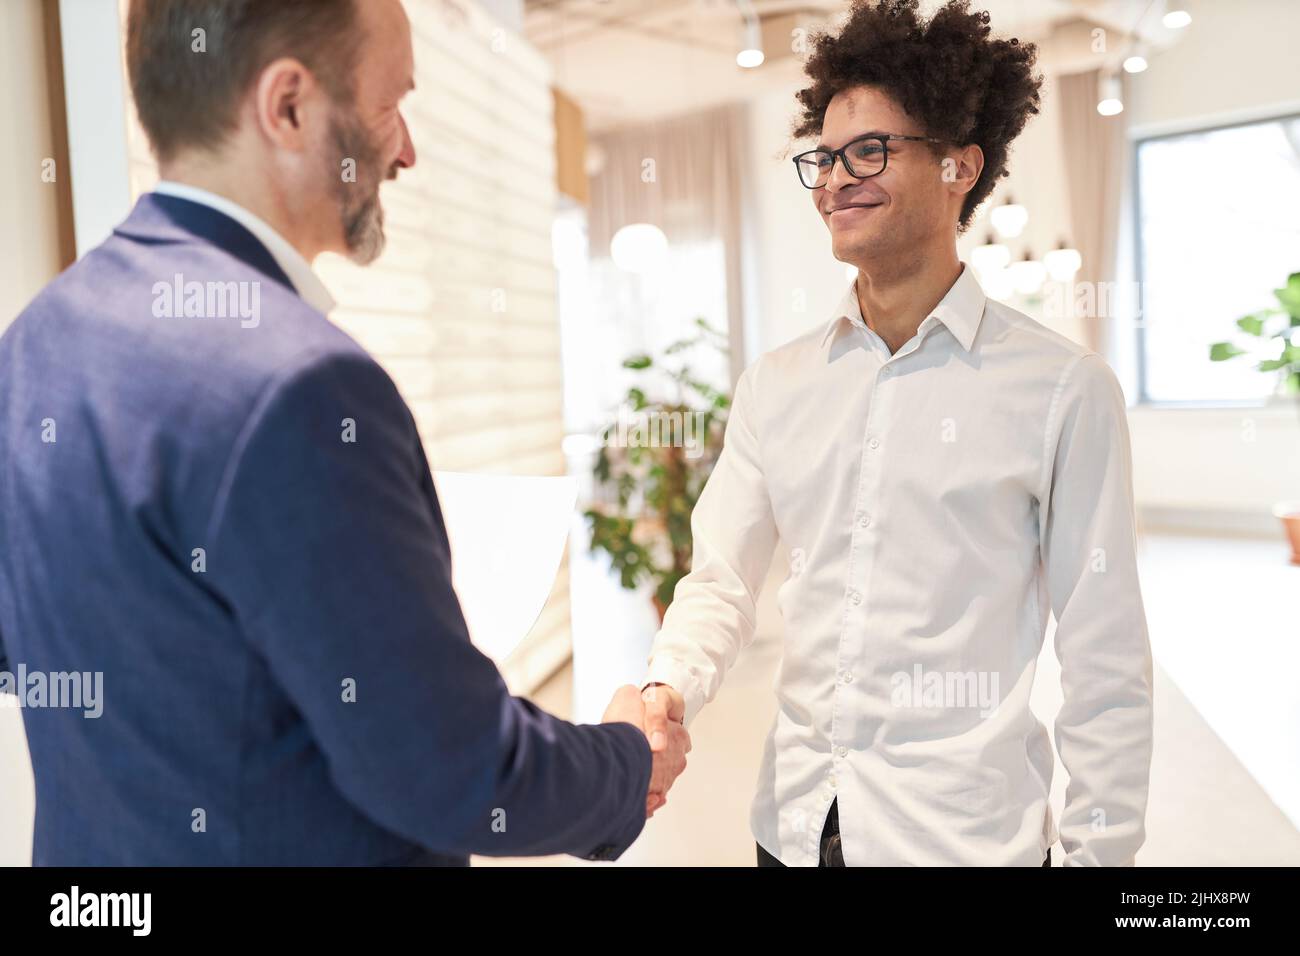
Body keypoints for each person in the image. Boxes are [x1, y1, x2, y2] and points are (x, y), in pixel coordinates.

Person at [0, 0, 687, 866]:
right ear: (288, 107)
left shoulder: (34, 340)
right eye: (389, 104)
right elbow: (451, 769)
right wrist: (628, 758)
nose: (406, 149)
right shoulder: (304, 387)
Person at [641, 0, 1152, 867]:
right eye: (824, 158)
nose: (836, 179)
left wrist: (1100, 859)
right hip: (796, 829)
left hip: (960, 841)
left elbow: (1106, 663)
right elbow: (722, 579)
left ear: (960, 164)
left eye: (870, 150)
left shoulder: (1064, 391)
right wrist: (667, 689)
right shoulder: (778, 385)